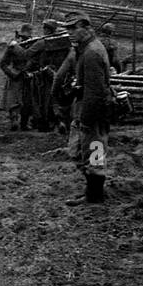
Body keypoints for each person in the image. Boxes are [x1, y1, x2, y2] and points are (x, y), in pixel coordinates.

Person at [61, 13, 114, 206]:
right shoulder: (87, 49)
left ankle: (94, 196)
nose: (70, 33)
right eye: (67, 29)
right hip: (86, 106)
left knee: (95, 152)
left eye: (74, 28)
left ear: (87, 28)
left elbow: (96, 90)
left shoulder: (92, 51)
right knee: (80, 151)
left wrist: (87, 119)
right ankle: (92, 192)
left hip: (93, 110)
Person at [25, 19, 72, 131]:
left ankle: (45, 124)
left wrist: (15, 47)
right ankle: (60, 121)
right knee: (58, 98)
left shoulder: (43, 42)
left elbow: (27, 54)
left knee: (43, 99)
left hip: (45, 74)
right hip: (61, 73)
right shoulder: (65, 42)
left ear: (46, 29)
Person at [0, 24, 33, 131]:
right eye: (23, 37)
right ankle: (14, 121)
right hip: (15, 77)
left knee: (27, 101)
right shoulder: (12, 47)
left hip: (28, 77)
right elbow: (3, 63)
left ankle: (24, 123)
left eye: (26, 37)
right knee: (13, 99)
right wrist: (11, 73)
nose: (24, 39)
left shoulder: (34, 46)